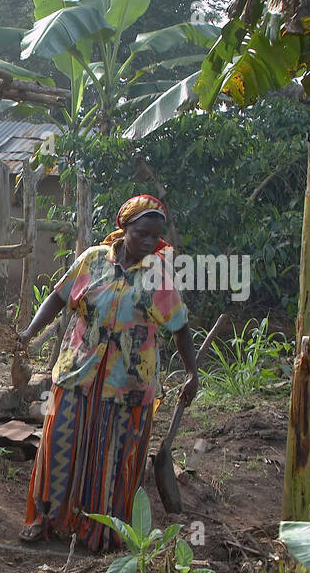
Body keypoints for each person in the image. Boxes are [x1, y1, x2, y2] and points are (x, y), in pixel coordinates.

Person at [17, 194, 198, 551]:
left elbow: (180, 326)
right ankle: (46, 521)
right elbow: (58, 297)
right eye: (141, 234)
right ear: (124, 228)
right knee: (59, 451)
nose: (148, 243)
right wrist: (28, 333)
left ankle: (101, 533)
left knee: (113, 462)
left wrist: (192, 373)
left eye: (154, 238)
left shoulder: (158, 276)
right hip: (77, 373)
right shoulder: (92, 261)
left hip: (127, 385)